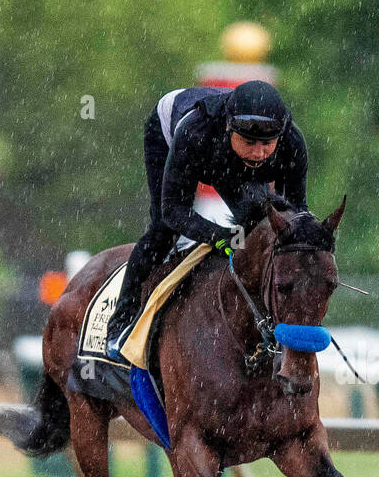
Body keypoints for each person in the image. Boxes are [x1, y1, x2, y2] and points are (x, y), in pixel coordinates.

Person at [106, 80, 308, 358]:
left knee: (261, 227)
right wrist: (220, 237)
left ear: (280, 137)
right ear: (229, 126)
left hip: (224, 155)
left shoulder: (293, 142)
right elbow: (173, 210)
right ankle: (119, 326)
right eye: (249, 142)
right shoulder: (195, 130)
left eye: (267, 144)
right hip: (173, 136)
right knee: (162, 232)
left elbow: (294, 217)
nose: (259, 153)